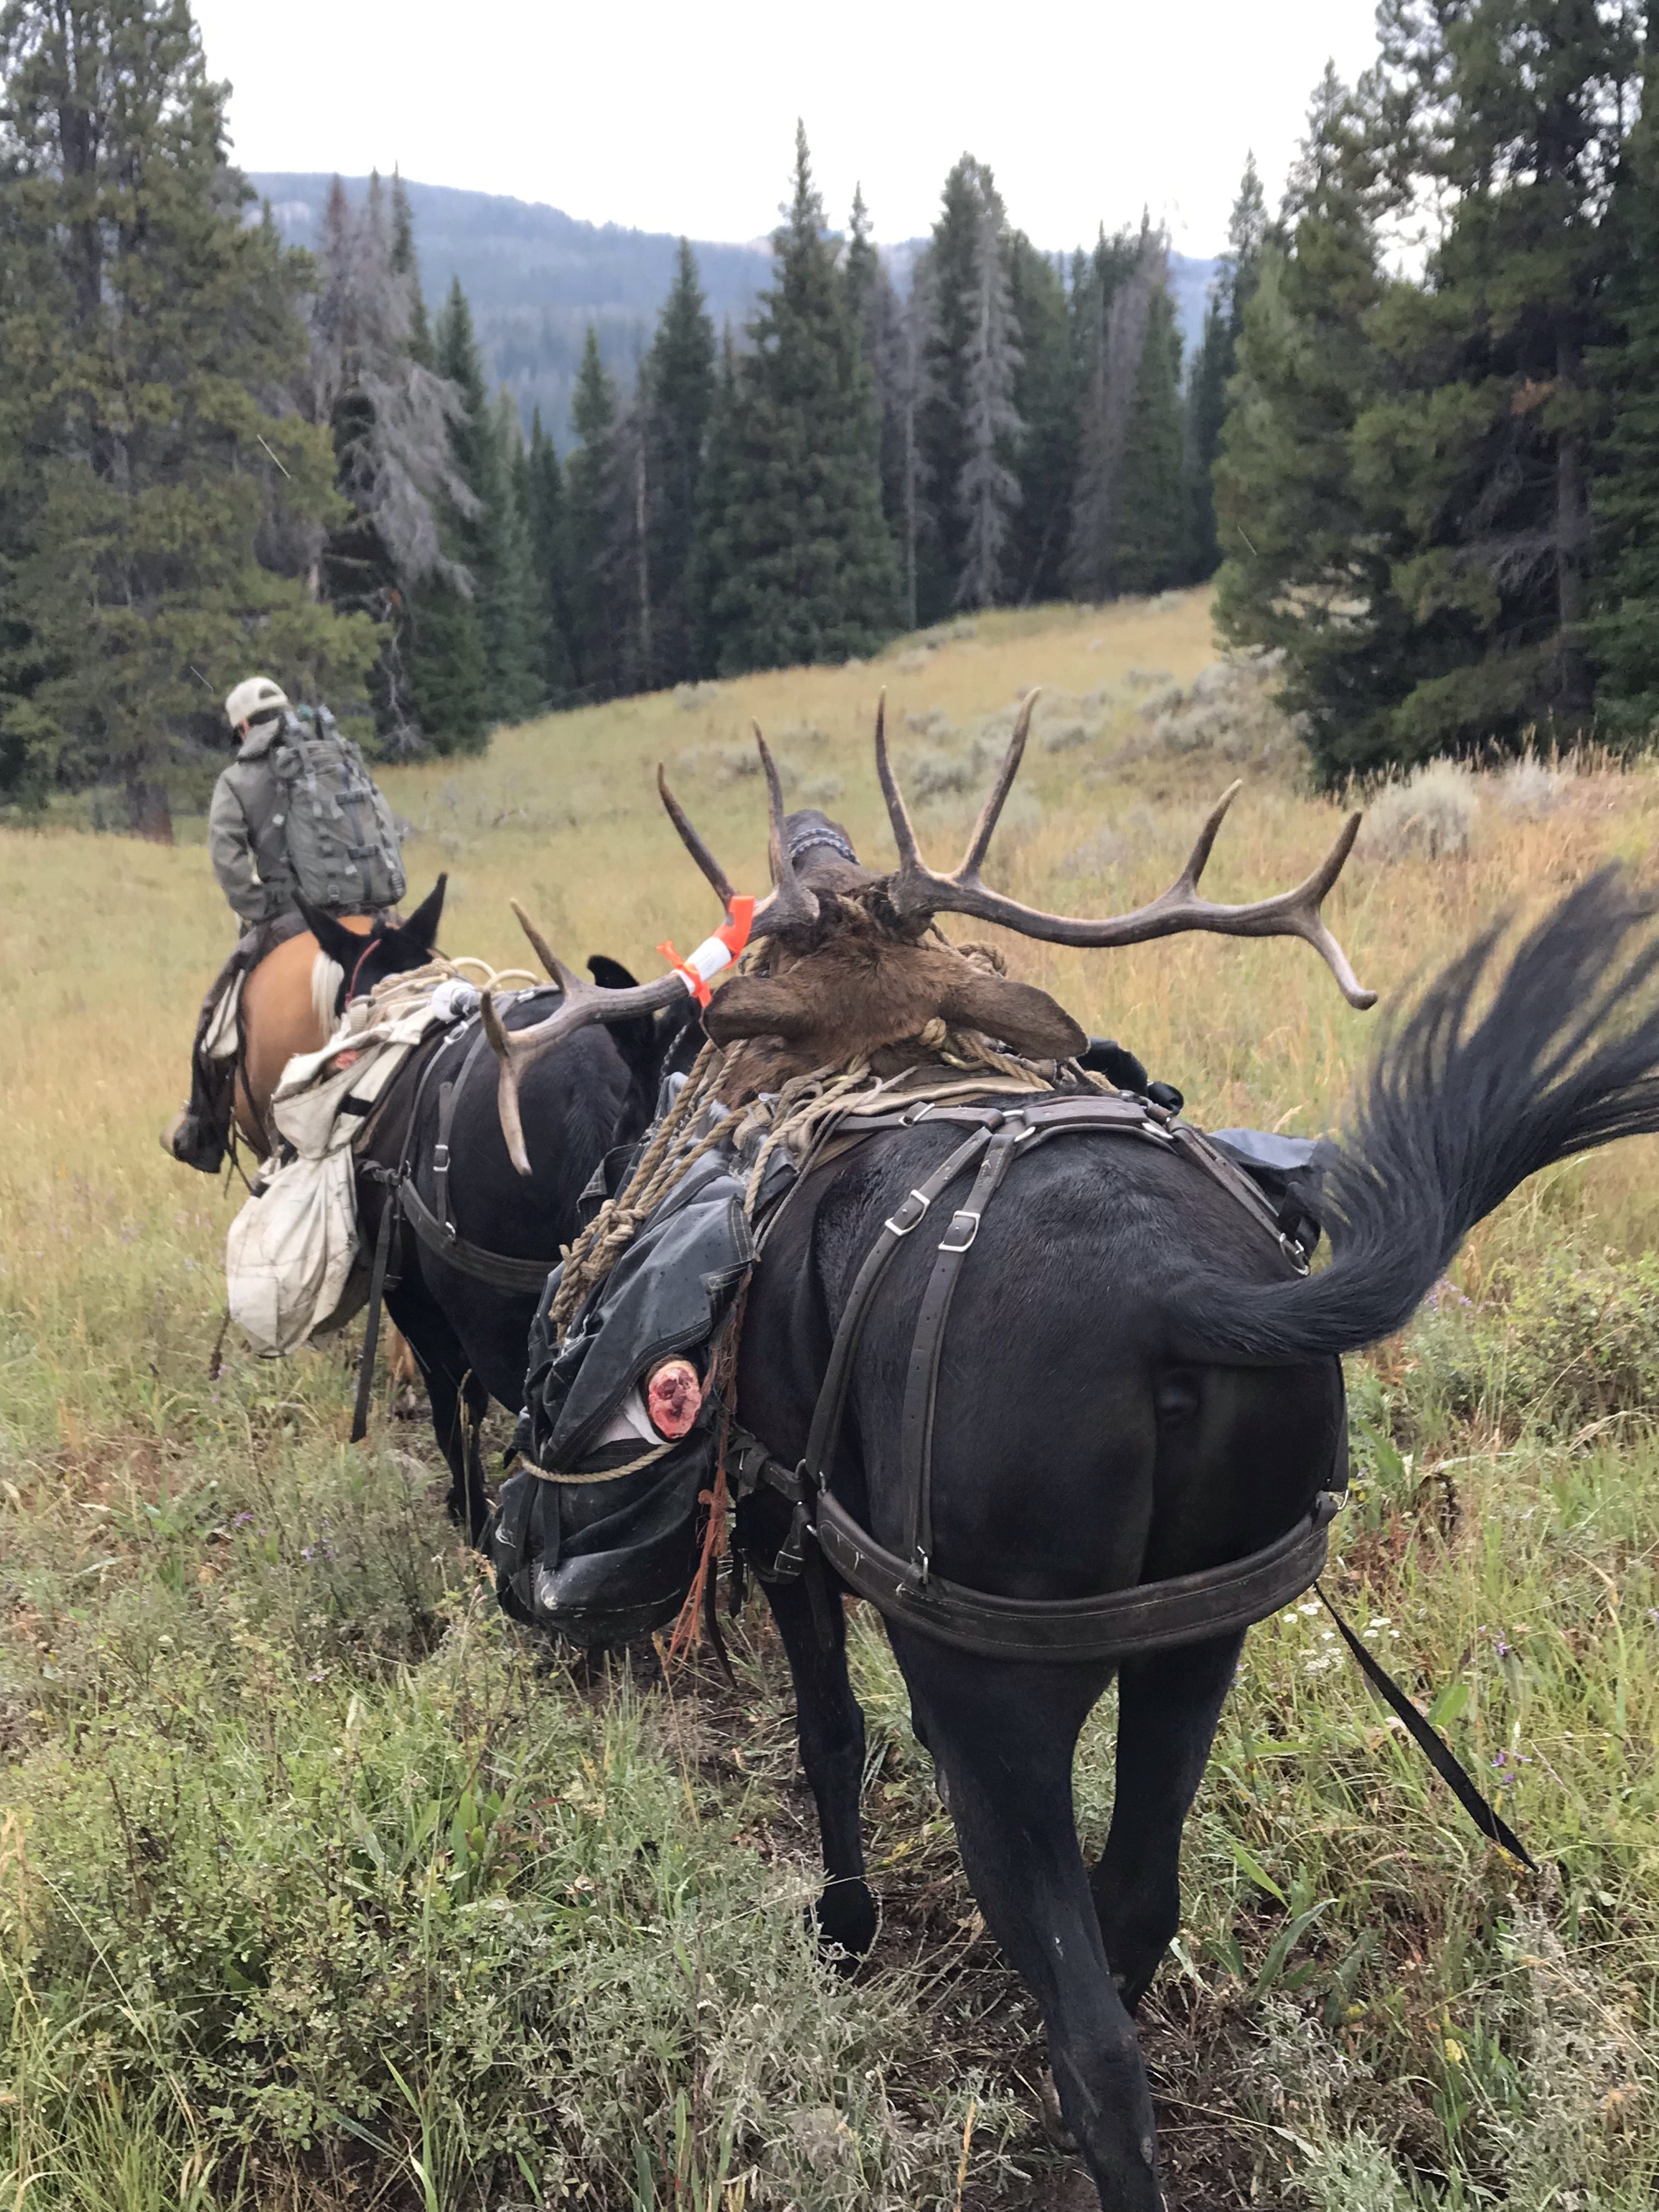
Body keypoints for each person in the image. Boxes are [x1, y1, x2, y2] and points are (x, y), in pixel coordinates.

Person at [163, 675, 398, 1172]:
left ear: (244, 725)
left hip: (289, 919)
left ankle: (202, 1131)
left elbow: (228, 860)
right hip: (373, 914)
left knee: (215, 1016)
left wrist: (259, 907)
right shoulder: (335, 758)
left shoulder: (238, 778)